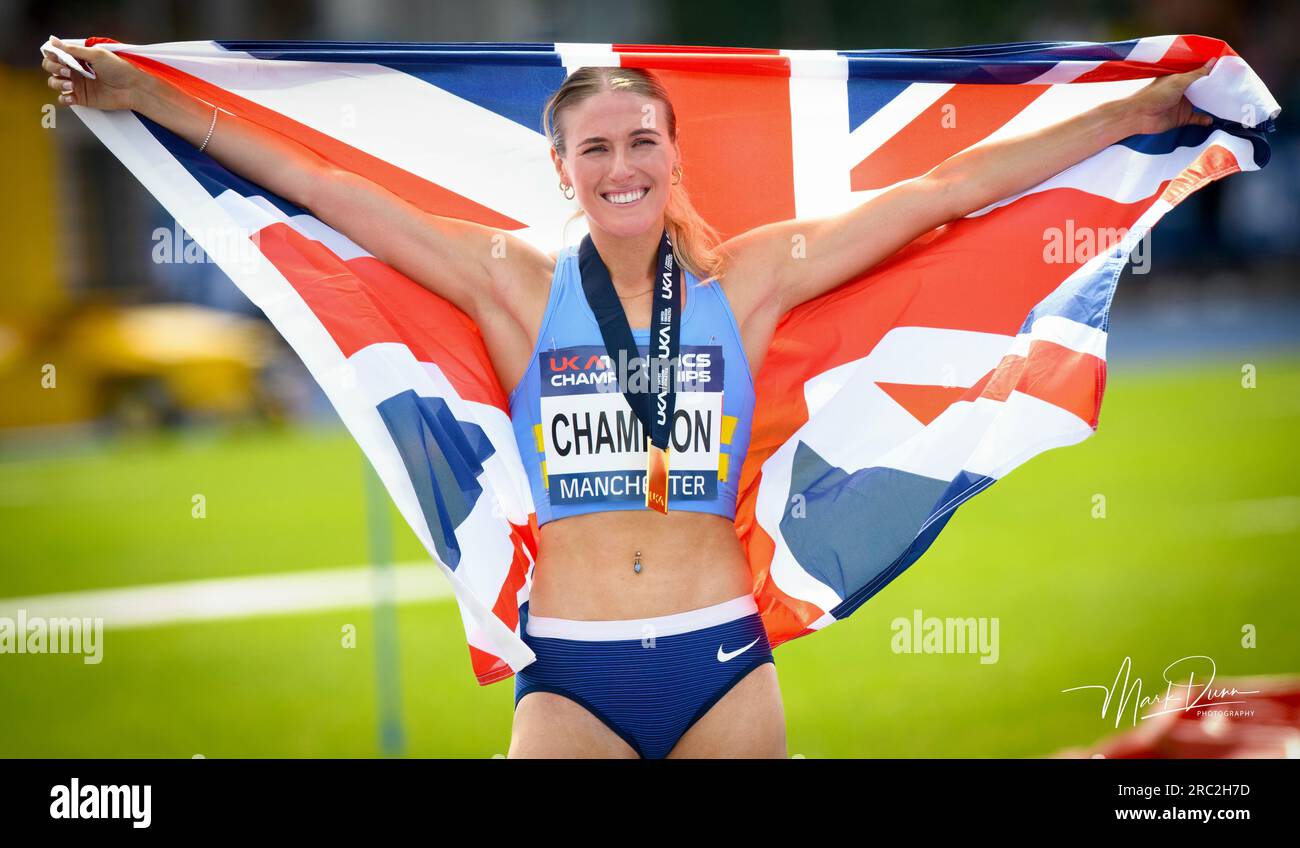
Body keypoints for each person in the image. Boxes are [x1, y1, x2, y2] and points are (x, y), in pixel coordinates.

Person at [42, 36, 1214, 758]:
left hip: (722, 663)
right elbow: (322, 183)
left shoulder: (747, 278)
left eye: (641, 142)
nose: (621, 167)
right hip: (575, 669)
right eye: (594, 149)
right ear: (561, 168)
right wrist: (144, 94)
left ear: (670, 152)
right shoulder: (507, 285)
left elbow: (945, 187)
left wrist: (1126, 112)